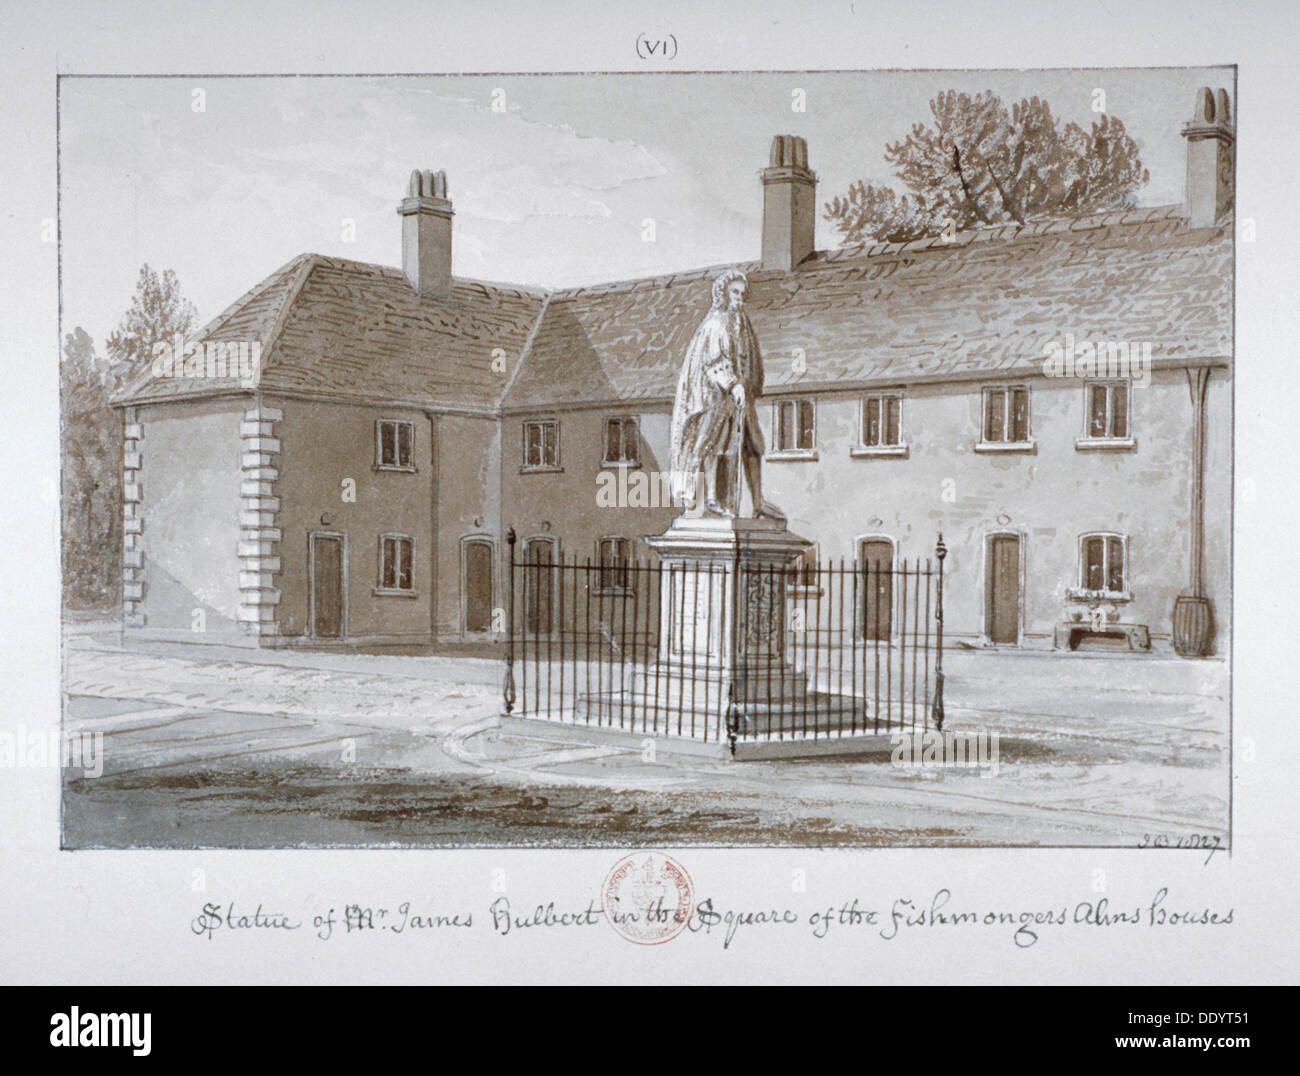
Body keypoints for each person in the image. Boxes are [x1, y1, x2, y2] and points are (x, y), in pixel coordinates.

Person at [668, 269, 785, 520]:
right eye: (734, 292)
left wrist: (746, 387)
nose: (739, 298)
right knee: (713, 446)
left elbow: (750, 359)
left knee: (753, 445)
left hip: (741, 397)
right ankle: (707, 498)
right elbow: (715, 361)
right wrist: (732, 384)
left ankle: (757, 501)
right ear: (723, 293)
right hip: (716, 397)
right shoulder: (716, 324)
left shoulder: (742, 323)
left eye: (742, 293)